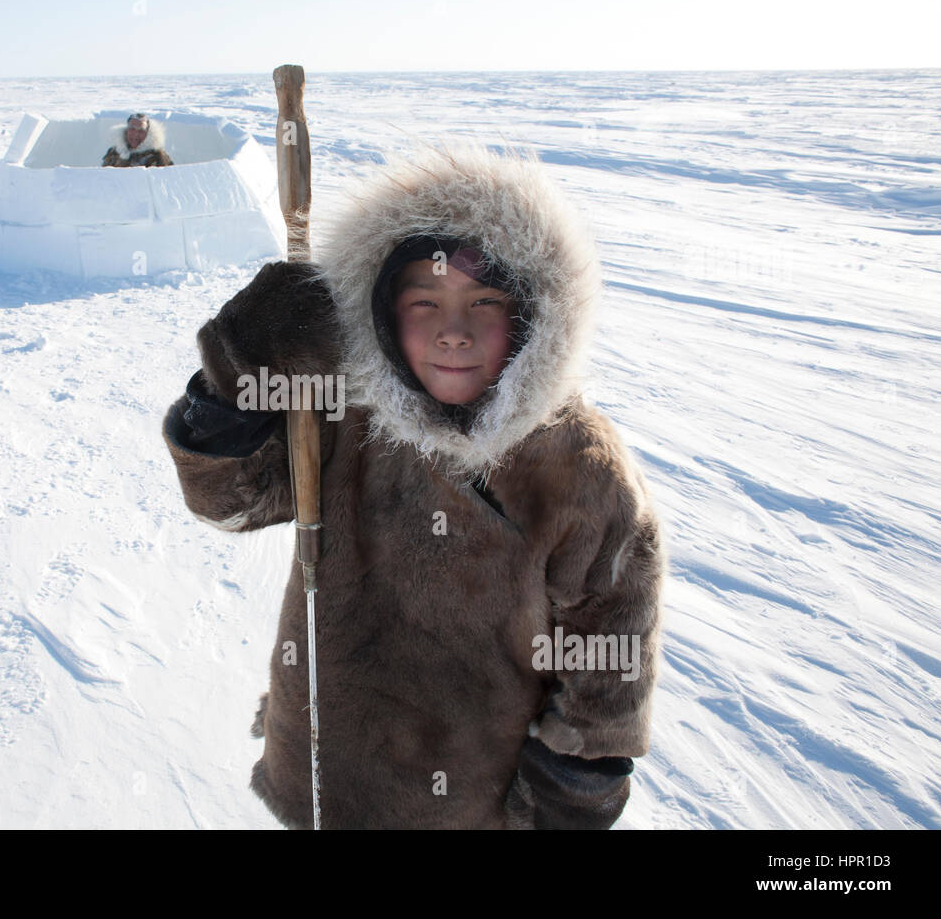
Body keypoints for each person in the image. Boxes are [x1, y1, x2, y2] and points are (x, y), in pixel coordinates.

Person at [161, 145, 665, 829]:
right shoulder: (345, 415)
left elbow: (605, 684)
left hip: (469, 807)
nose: (452, 332)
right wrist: (236, 374)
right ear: (381, 313)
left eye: (483, 301)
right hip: (316, 772)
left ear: (532, 314)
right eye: (424, 302)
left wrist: (561, 809)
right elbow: (228, 501)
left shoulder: (582, 472)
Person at [101, 113, 173, 167]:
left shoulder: (159, 156)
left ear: (147, 133)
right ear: (127, 130)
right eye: (132, 129)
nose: (136, 134)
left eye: (141, 131)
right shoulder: (114, 152)